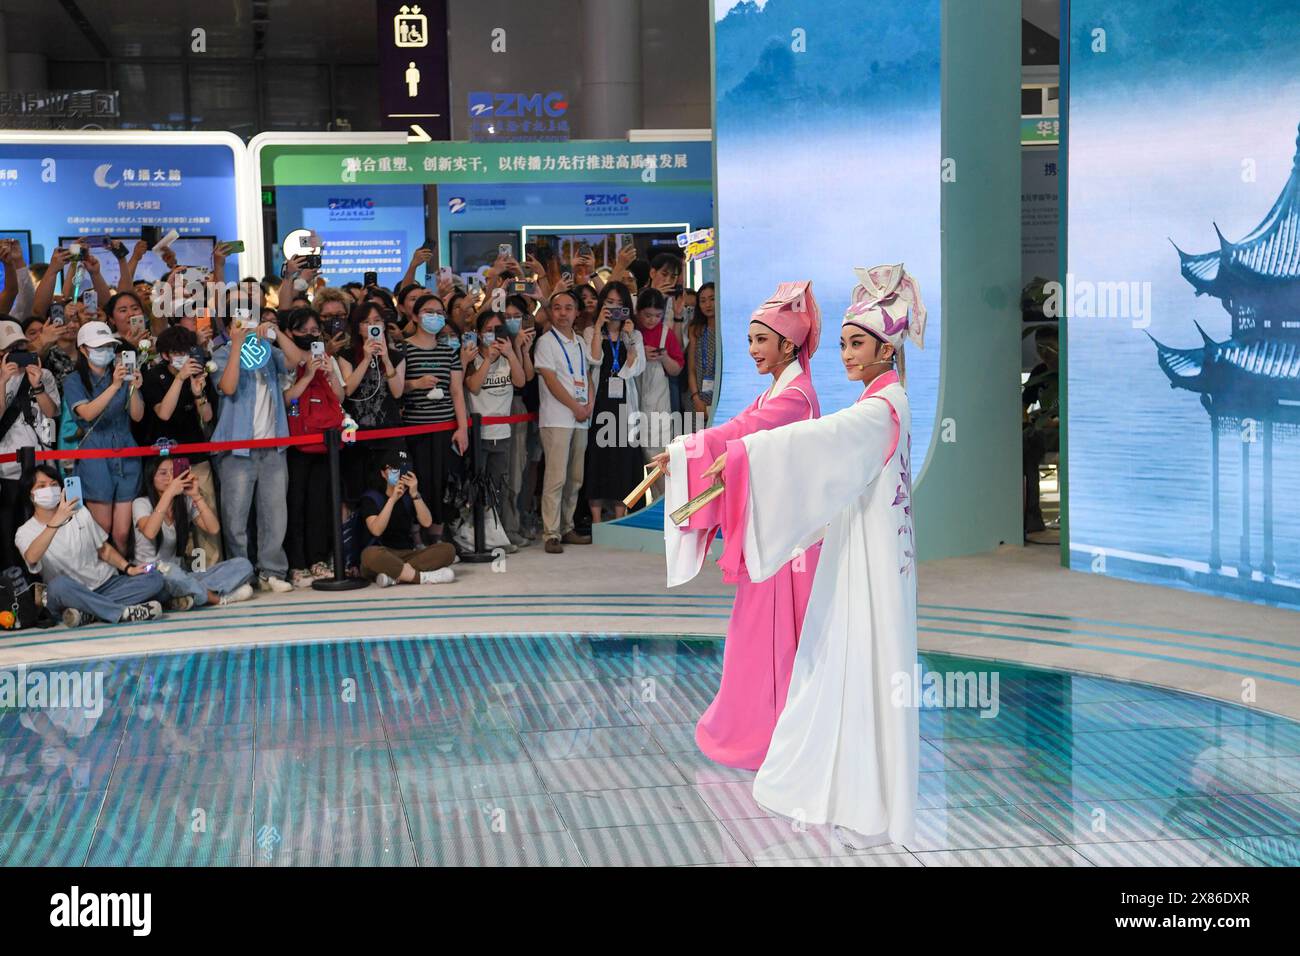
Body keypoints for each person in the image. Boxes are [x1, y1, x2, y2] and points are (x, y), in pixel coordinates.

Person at [712, 264, 926, 849]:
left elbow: (819, 442)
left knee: (860, 660)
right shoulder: (886, 403)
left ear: (887, 350)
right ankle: (861, 786)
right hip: (872, 555)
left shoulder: (880, 409)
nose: (847, 355)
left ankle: (860, 790)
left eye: (858, 344)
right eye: (842, 344)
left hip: (873, 563)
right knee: (855, 662)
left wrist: (743, 455)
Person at [657, 280, 823, 771]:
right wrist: (686, 452)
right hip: (773, 535)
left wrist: (682, 449)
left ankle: (774, 734)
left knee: (772, 638)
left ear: (788, 344)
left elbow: (740, 433)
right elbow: (738, 432)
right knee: (756, 636)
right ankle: (766, 728)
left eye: (760, 340)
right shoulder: (779, 389)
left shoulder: (795, 397)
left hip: (788, 539)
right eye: (750, 340)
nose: (752, 350)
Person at [210, 312, 306, 593]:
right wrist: (237, 345)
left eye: (250, 320)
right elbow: (226, 387)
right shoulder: (221, 354)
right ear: (228, 328)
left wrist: (277, 332)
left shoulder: (268, 351)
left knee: (275, 514)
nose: (246, 327)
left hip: (273, 445)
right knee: (236, 516)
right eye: (239, 323)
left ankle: (272, 571)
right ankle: (239, 574)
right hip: (236, 448)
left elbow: (295, 360)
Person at [16, 465, 166, 627]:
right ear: (31, 495)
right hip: (70, 592)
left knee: (155, 579)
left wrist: (129, 568)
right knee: (57, 586)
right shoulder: (24, 532)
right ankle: (120, 613)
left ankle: (89, 612)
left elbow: (103, 549)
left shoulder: (80, 512)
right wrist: (56, 521)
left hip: (105, 584)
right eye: (42, 486)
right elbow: (32, 557)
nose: (50, 489)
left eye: (53, 484)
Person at [61, 321, 145, 554]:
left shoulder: (120, 374)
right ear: (83, 350)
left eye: (109, 346)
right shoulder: (74, 381)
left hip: (126, 453)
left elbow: (137, 416)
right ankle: (103, 580)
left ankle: (126, 577)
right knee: (102, 528)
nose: (106, 352)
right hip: (95, 455)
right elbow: (87, 413)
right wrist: (115, 386)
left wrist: (133, 387)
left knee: (121, 532)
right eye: (99, 347)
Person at [142, 324, 222, 566]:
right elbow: (163, 413)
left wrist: (198, 392)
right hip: (165, 460)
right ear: (165, 355)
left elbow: (207, 417)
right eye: (178, 353)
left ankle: (212, 569)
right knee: (175, 516)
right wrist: (180, 379)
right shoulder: (153, 377)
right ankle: (182, 570)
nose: (185, 357)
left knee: (205, 511)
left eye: (188, 351)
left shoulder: (199, 373)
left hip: (197, 455)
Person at [132, 457, 256, 608]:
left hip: (181, 576)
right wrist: (169, 493)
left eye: (173, 472)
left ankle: (185, 594)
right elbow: (150, 532)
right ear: (151, 477)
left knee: (243, 565)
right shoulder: (141, 503)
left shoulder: (183, 502)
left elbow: (213, 528)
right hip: (150, 574)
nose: (170, 477)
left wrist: (196, 496)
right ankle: (216, 598)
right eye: (163, 473)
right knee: (171, 572)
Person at [282, 308, 348, 585]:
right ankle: (297, 564)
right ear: (289, 334)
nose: (309, 336)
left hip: (326, 440)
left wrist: (329, 375)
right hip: (296, 442)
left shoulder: (327, 359)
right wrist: (307, 375)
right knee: (295, 504)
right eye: (303, 331)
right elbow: (286, 400)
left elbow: (341, 396)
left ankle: (319, 558)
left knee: (320, 504)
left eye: (314, 331)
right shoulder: (284, 361)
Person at [532, 289, 597, 553]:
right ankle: (550, 533)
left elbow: (587, 375)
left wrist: (589, 404)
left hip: (581, 418)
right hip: (557, 417)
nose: (562, 313)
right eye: (557, 308)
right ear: (551, 311)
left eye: (568, 308)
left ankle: (567, 526)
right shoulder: (546, 342)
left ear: (577, 312)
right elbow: (550, 380)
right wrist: (575, 407)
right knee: (556, 477)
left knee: (575, 477)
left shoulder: (580, 342)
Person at [399, 294, 467, 541]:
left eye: (440, 312)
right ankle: (416, 538)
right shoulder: (403, 348)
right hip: (415, 430)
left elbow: (457, 391)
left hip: (444, 427)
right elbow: (396, 388)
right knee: (418, 483)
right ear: (415, 316)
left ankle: (438, 538)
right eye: (428, 312)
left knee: (441, 484)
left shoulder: (448, 351)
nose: (435, 317)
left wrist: (462, 428)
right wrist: (415, 384)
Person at [582, 281, 645, 525]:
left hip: (624, 406)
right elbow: (594, 359)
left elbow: (635, 368)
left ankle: (620, 518)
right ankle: (597, 518)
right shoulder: (591, 332)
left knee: (622, 462)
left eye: (620, 304)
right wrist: (599, 325)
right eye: (610, 303)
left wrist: (629, 338)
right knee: (597, 460)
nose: (615, 309)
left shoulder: (635, 334)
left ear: (628, 308)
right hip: (599, 403)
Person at [0, 322, 60, 571]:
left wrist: (37, 386)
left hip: (40, 468)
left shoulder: (42, 374)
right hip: (6, 471)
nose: (18, 352)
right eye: (10, 349)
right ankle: (15, 588)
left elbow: (52, 412)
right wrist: (3, 381)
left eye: (21, 346)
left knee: (41, 529)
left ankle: (42, 584)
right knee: (8, 533)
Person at [465, 310, 527, 546]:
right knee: (477, 487)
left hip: (502, 434)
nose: (493, 335)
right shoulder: (473, 357)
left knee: (498, 486)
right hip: (479, 434)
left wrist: (511, 354)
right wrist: (488, 360)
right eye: (488, 330)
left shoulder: (507, 357)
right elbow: (473, 387)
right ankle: (477, 536)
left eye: (498, 330)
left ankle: (496, 535)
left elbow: (521, 381)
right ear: (479, 334)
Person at [358, 451, 456, 587]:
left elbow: (427, 522)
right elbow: (376, 530)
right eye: (394, 469)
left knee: (448, 550)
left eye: (403, 469)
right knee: (369, 555)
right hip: (383, 554)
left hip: (407, 554)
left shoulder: (410, 495)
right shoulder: (372, 497)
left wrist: (415, 494)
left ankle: (396, 577)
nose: (399, 474)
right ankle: (421, 577)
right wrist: (392, 500)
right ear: (383, 474)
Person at [633, 288, 685, 479]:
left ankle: (660, 499)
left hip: (659, 400)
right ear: (638, 311)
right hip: (633, 397)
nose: (652, 320)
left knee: (657, 449)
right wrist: (638, 354)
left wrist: (663, 357)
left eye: (657, 315)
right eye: (647, 315)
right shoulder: (632, 332)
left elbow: (677, 369)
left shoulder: (666, 334)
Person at [685, 281, 717, 430]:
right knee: (698, 445)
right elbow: (691, 368)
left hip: (720, 396)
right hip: (698, 396)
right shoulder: (695, 329)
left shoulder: (726, 330)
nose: (708, 304)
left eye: (712, 299)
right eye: (703, 301)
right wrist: (695, 397)